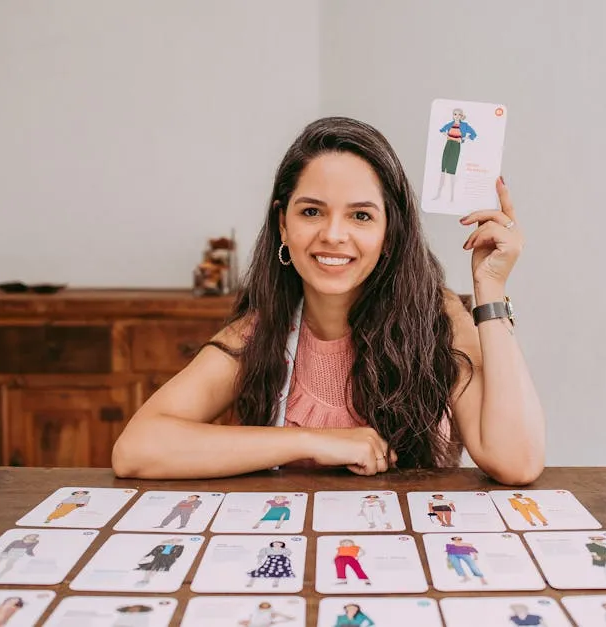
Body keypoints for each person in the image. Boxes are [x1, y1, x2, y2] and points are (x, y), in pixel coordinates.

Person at [112, 116, 545, 482]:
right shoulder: (260, 334)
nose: (333, 235)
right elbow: (135, 449)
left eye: (360, 215)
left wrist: (490, 288)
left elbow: (517, 461)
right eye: (311, 211)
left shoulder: (438, 321)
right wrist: (318, 442)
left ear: (389, 233)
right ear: (283, 224)